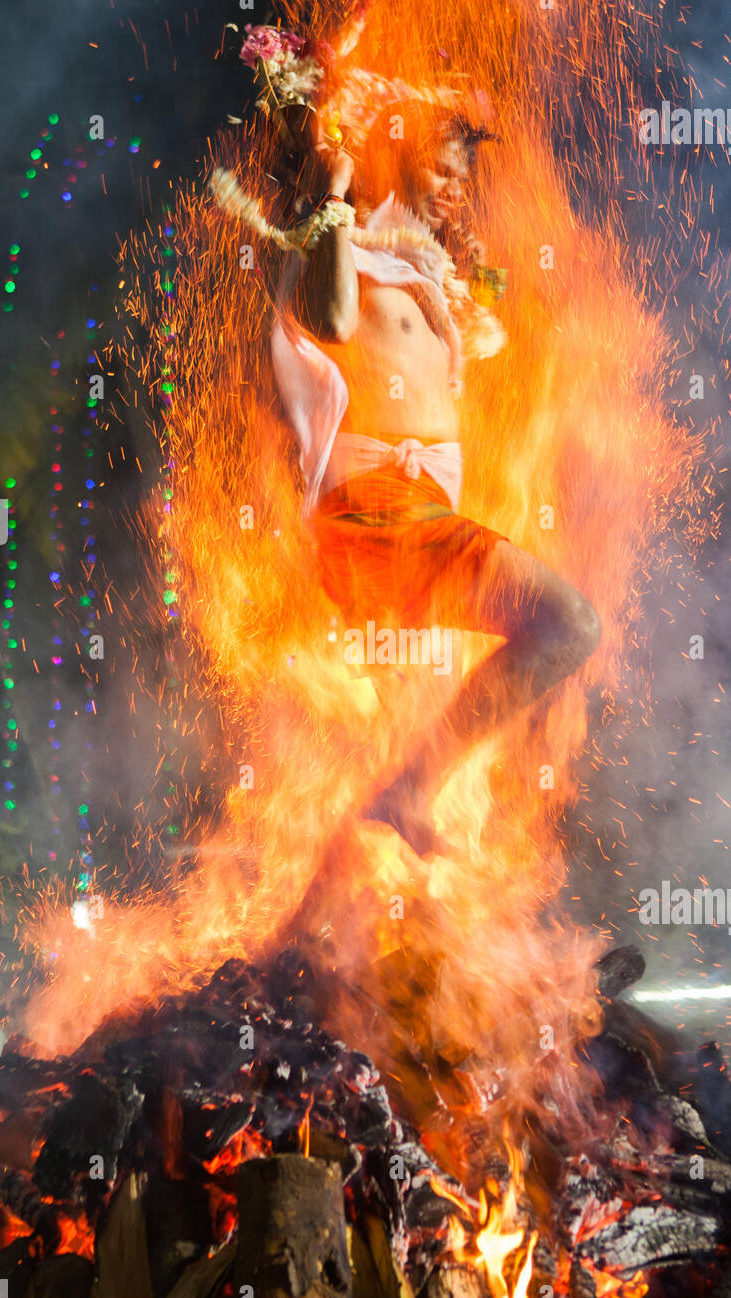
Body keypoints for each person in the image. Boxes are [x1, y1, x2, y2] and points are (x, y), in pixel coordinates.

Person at [271, 100, 601, 857]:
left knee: (388, 744)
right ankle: (410, 789)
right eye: (439, 167)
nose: (455, 186)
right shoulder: (341, 244)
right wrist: (331, 192)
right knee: (569, 624)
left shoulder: (418, 269)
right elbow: (325, 318)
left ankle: (348, 914)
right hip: (374, 513)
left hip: (407, 515)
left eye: (462, 175)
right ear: (393, 156)